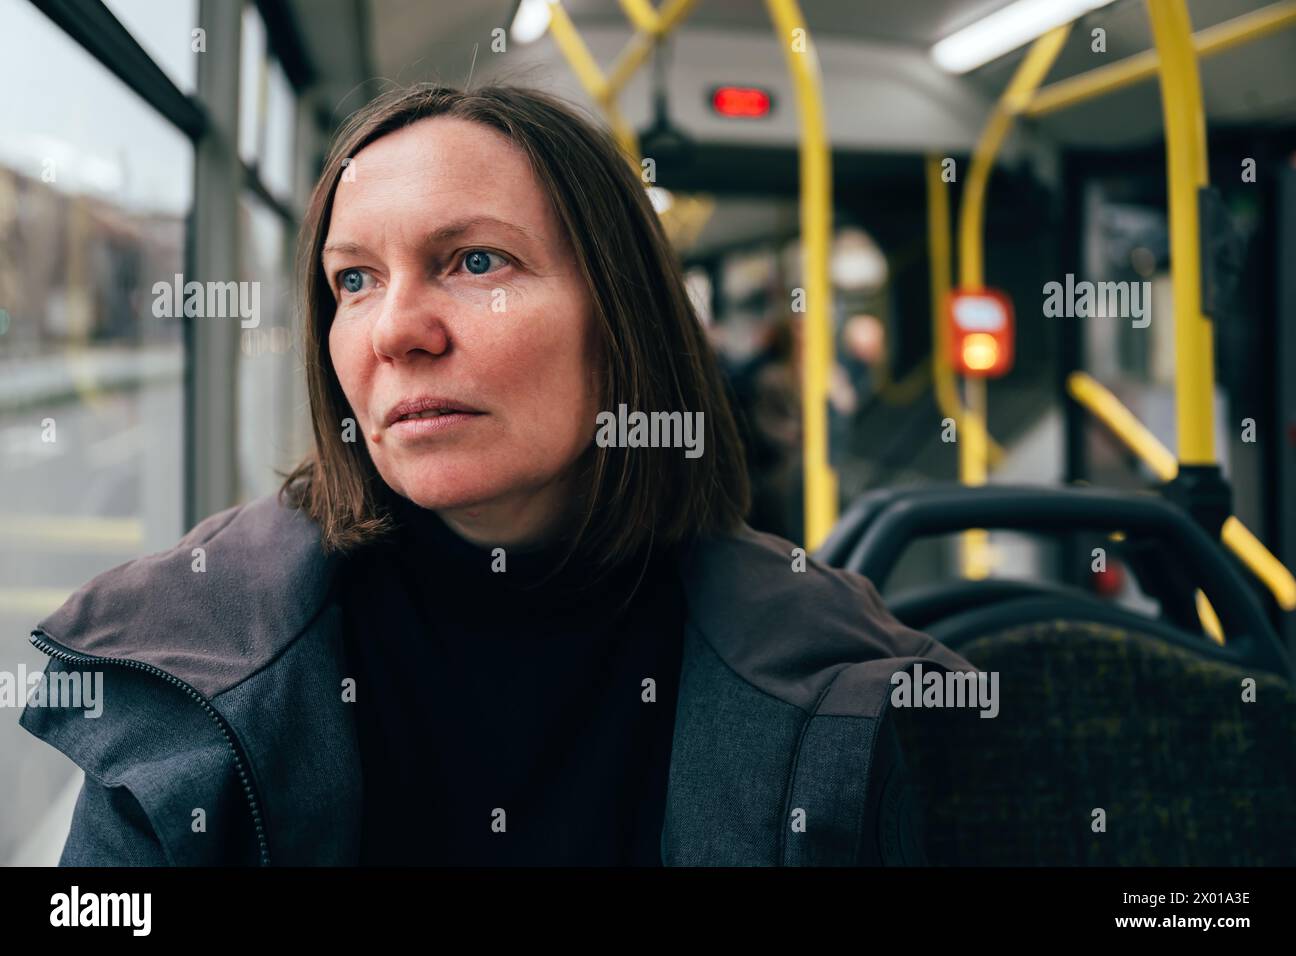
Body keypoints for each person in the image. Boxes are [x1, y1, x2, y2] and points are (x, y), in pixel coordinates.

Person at [20, 84, 972, 866]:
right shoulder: (190, 652)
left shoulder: (842, 681)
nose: (395, 330)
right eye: (354, 280)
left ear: (623, 318)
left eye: (476, 261)